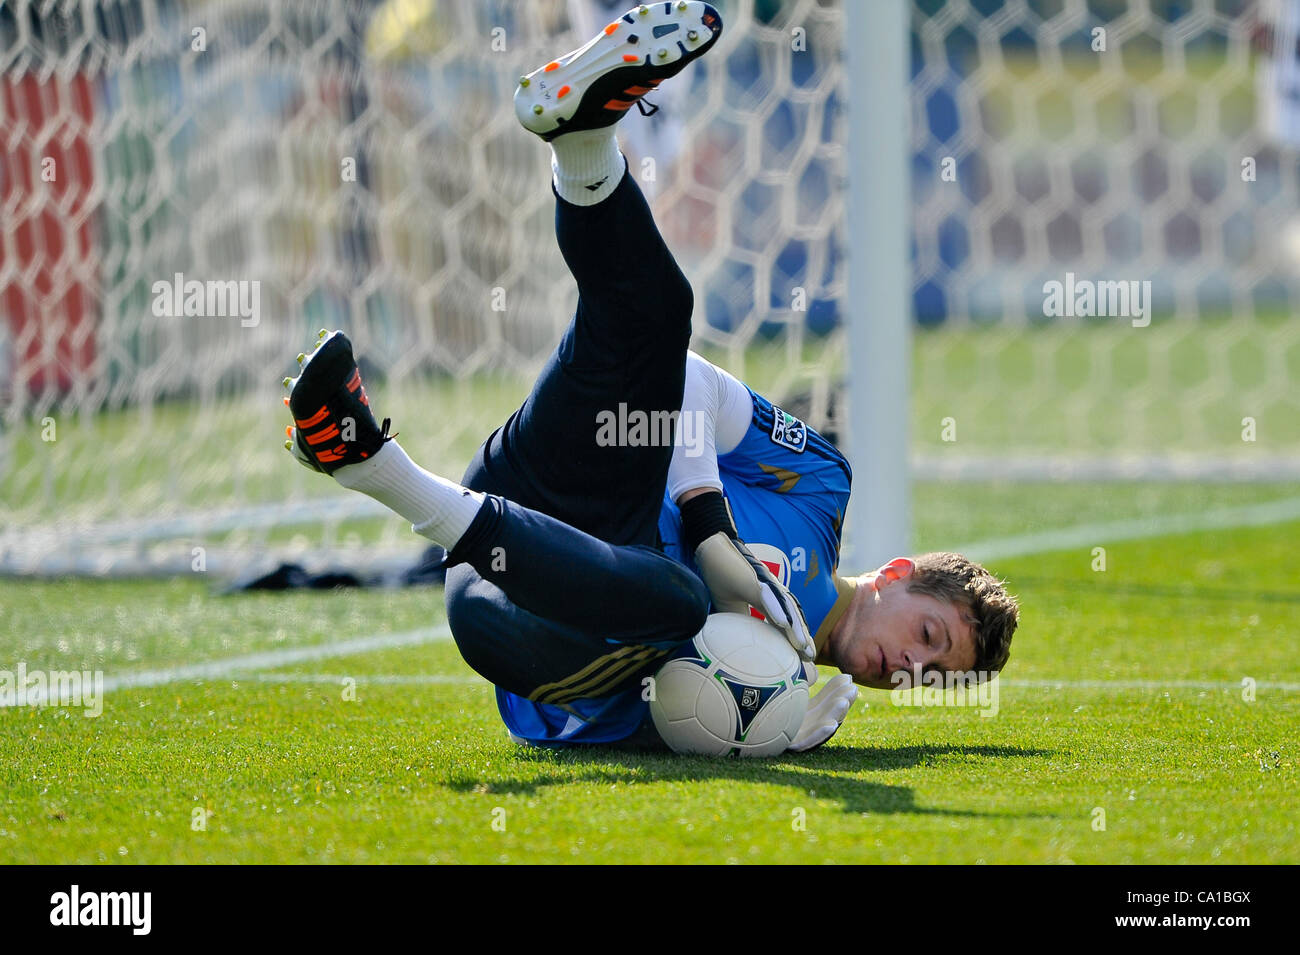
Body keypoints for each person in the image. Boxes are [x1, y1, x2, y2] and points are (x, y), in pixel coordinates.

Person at [281, 1, 1019, 751]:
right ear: (897, 573)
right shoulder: (821, 488)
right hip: (554, 474)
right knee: (662, 314)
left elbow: (621, 712)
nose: (911, 666)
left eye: (930, 676)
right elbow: (691, 380)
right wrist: (707, 524)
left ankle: (378, 469)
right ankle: (584, 140)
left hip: (517, 614)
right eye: (929, 635)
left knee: (675, 603)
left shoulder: (783, 694)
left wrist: (761, 724)